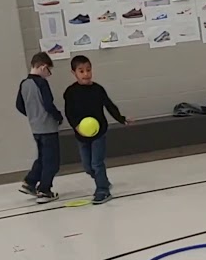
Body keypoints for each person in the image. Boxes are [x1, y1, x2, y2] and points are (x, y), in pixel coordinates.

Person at [63, 55, 129, 204]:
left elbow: (109, 105)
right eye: (81, 71)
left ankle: (102, 190)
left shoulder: (98, 90)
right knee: (88, 166)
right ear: (74, 73)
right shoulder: (70, 92)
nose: (86, 74)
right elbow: (69, 112)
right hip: (81, 135)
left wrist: (121, 118)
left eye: (88, 70)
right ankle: (103, 181)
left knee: (97, 163)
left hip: (99, 132)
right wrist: (76, 126)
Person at [16, 52, 63, 203]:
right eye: (48, 70)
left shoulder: (24, 84)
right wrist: (58, 116)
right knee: (52, 162)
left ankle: (30, 182)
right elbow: (48, 104)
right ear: (43, 67)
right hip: (48, 127)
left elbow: (19, 105)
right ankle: (44, 189)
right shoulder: (41, 83)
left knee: (43, 157)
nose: (48, 74)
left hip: (35, 128)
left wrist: (32, 115)